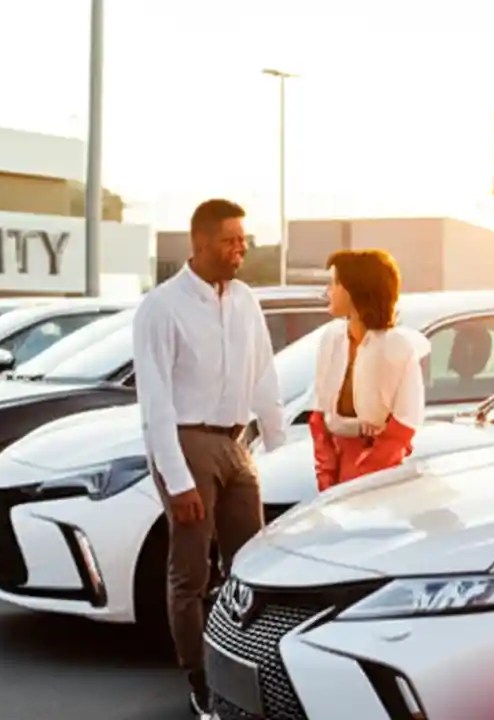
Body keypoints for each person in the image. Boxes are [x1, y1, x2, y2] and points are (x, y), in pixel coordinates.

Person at [130, 198, 285, 717]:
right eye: (230, 240)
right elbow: (154, 401)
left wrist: (278, 449)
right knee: (190, 574)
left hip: (235, 443)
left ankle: (244, 672)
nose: (241, 248)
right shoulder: (161, 307)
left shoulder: (244, 300)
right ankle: (199, 679)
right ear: (200, 243)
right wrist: (177, 480)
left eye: (244, 239)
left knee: (250, 567)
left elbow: (264, 375)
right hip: (186, 441)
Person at [309, 249, 430, 491]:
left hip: (380, 473)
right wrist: (327, 477)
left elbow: (404, 426)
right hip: (336, 466)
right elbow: (320, 417)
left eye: (335, 283)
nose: (328, 291)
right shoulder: (331, 338)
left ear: (356, 290)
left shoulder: (397, 347)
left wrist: (361, 478)